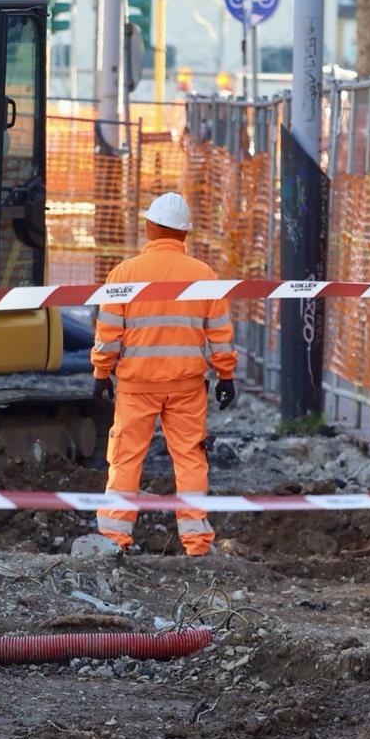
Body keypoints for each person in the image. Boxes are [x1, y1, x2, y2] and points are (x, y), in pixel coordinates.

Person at [90, 193, 237, 556]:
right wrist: (226, 375)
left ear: (150, 227)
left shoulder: (123, 274)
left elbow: (108, 332)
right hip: (187, 386)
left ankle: (114, 540)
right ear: (184, 234)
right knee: (190, 459)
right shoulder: (204, 276)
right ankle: (197, 543)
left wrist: (101, 372)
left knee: (125, 459)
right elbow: (220, 332)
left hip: (137, 385)